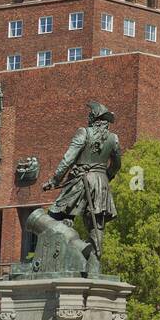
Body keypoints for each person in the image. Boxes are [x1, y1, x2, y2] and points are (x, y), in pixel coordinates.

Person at [42, 101, 122, 275]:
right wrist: (105, 177)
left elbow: (67, 160)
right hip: (101, 185)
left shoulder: (84, 133)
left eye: (90, 115)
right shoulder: (113, 138)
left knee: (53, 217)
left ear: (93, 118)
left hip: (81, 181)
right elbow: (116, 165)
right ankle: (94, 268)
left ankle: (58, 261)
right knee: (96, 227)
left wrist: (54, 181)